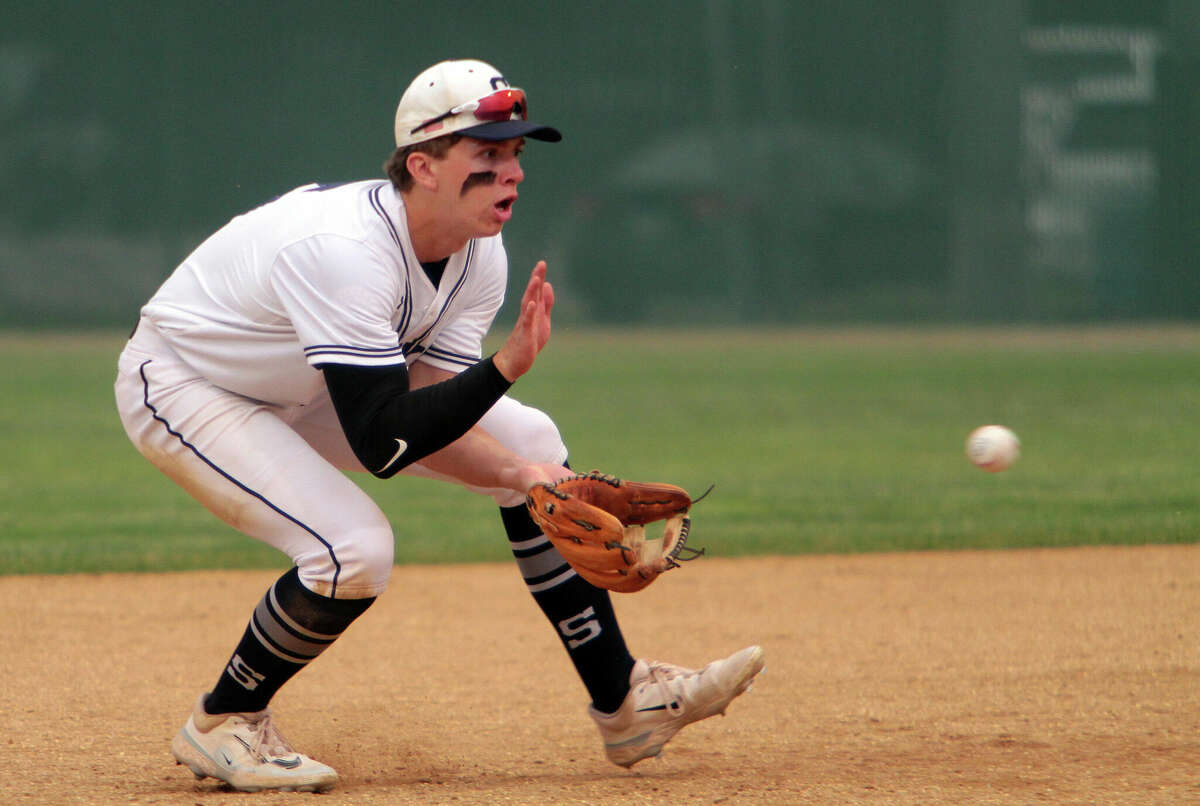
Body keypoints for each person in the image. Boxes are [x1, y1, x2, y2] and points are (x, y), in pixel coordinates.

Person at [114, 59, 764, 793]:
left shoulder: (477, 252)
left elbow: (429, 397)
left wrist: (523, 475)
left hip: (314, 388)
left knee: (536, 447)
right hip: (192, 384)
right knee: (353, 551)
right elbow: (384, 442)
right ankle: (223, 722)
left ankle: (626, 701)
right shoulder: (344, 251)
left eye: (516, 153)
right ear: (422, 165)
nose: (512, 172)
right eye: (487, 155)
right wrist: (506, 368)